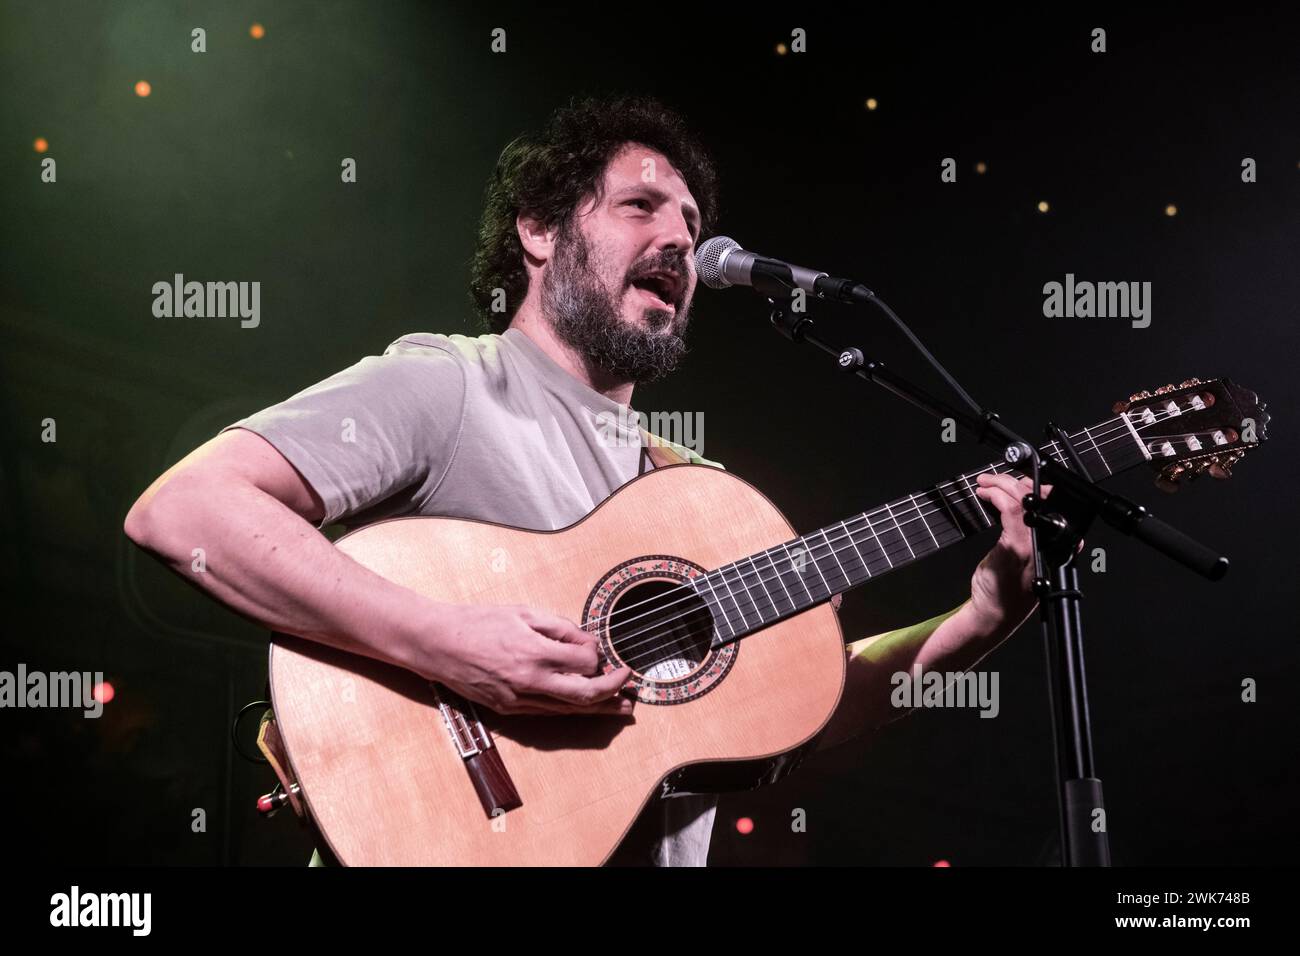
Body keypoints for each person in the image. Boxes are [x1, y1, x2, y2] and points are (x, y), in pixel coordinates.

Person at [124, 93, 1045, 866]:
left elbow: (808, 705)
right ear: (538, 228)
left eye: (692, 222)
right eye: (642, 207)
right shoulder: (452, 382)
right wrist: (450, 644)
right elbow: (185, 511)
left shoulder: (692, 491)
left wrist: (979, 621)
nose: (682, 240)